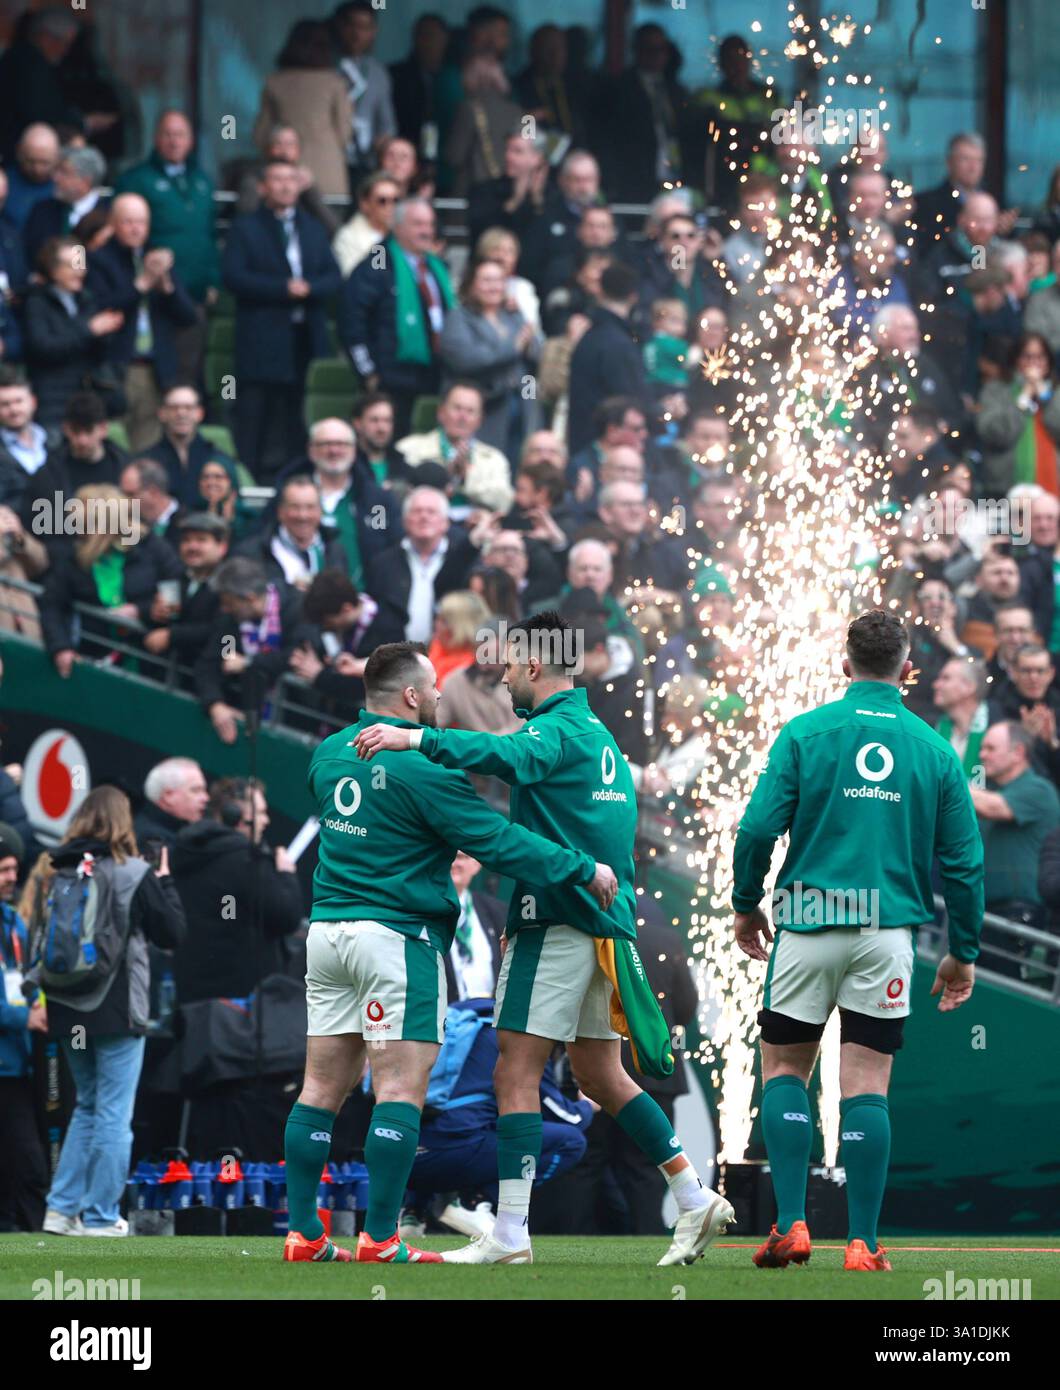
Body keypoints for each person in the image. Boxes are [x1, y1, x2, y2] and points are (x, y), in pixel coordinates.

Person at [355, 611, 732, 1267]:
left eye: (507, 665)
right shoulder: (600, 736)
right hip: (602, 929)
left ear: (534, 665)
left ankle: (510, 1233)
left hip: (554, 921)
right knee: (600, 1073)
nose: (500, 677)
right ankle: (694, 1196)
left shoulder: (552, 732)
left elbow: (506, 755)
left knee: (516, 1071)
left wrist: (417, 741)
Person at [281, 638, 617, 1263]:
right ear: (411, 696)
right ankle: (381, 1239)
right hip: (396, 939)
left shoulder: (326, 754)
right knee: (400, 1091)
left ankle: (303, 1235)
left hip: (327, 935)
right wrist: (579, 866)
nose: (440, 696)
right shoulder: (426, 772)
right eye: (434, 687)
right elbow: (498, 841)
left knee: (318, 1089)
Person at [731, 611, 984, 1273]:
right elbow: (963, 861)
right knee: (867, 1085)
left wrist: (744, 904)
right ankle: (864, 1244)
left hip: (808, 922)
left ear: (844, 664)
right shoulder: (933, 749)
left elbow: (757, 829)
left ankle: (791, 1225)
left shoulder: (806, 733)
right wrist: (964, 950)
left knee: (786, 1069)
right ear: (907, 671)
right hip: (887, 934)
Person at [26, 785, 185, 1236]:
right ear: (123, 822)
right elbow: (172, 932)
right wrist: (165, 878)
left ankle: (60, 1210)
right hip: (116, 1007)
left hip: (65, 1003)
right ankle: (98, 1215)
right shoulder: (134, 871)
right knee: (115, 1111)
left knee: (88, 1106)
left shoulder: (57, 869)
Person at [222, 160, 342, 478]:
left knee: (297, 417)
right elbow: (234, 277)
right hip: (262, 339)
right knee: (254, 417)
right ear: (263, 187)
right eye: (277, 179)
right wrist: (283, 289)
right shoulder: (246, 227)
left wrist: (310, 288)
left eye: (292, 179)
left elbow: (333, 276)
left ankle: (298, 480)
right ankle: (247, 482)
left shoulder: (312, 227)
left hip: (305, 339)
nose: (286, 186)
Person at [170, 777, 304, 1003]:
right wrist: (286, 874)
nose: (266, 820)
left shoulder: (185, 851)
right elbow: (287, 917)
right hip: (241, 1004)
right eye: (260, 812)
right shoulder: (244, 859)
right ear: (236, 816)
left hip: (193, 995)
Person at [85, 194, 198, 452]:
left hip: (156, 370)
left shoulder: (155, 257)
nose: (136, 229)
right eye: (128, 222)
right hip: (115, 369)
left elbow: (188, 317)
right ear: (113, 223)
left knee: (149, 445)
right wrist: (142, 284)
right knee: (113, 442)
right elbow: (98, 309)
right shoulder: (98, 259)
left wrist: (167, 286)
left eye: (142, 223)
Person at [114, 109, 222, 377]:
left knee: (187, 373)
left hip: (193, 295)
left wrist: (213, 280)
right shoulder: (135, 179)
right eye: (168, 134)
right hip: (153, 294)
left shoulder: (202, 180)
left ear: (191, 140)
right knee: (147, 373)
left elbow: (210, 234)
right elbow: (120, 230)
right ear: (155, 138)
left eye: (180, 135)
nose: (174, 141)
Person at [38, 481, 182, 676]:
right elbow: (51, 604)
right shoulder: (74, 557)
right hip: (94, 655)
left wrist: (140, 610)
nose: (77, 529)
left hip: (149, 655)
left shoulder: (150, 546)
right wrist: (61, 648)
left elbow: (175, 586)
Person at [338, 197, 454, 437]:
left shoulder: (436, 266)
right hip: (391, 379)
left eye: (430, 225)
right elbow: (352, 321)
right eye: (418, 224)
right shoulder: (378, 263)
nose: (427, 231)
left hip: (434, 375)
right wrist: (368, 372)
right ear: (397, 226)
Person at [971, 722, 1060, 976]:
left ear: (1018, 752)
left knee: (999, 999)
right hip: (983, 913)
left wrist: (945, 778)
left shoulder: (1038, 790)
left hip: (1016, 918)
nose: (982, 754)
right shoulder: (995, 792)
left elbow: (993, 807)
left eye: (990, 748)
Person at [194, 556, 312, 745]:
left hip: (292, 719)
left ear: (250, 598)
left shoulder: (297, 609)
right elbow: (212, 664)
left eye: (229, 603)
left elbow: (295, 657)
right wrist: (215, 705)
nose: (225, 609)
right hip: (243, 713)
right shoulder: (231, 624)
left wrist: (249, 662)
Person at [439, 257, 540, 460]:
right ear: (471, 284)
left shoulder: (512, 314)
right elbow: (466, 359)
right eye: (486, 280)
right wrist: (512, 348)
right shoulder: (458, 317)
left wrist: (530, 345)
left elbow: (534, 355)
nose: (494, 287)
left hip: (523, 401)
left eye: (499, 280)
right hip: (486, 405)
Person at [0, 823, 49, 1234]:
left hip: (16, 1067)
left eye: (14, 868)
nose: (12, 878)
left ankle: (24, 1237)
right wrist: (23, 1017)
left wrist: (37, 1005)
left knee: (27, 1167)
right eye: (3, 869)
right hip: (9, 1060)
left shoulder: (14, 924)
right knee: (26, 1164)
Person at [21, 235, 124, 429]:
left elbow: (96, 352)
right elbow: (43, 347)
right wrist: (89, 330)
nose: (79, 272)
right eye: (71, 265)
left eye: (81, 265)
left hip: (85, 397)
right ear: (53, 269)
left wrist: (105, 332)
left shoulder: (86, 300)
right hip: (52, 400)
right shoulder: (36, 302)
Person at [253, 21, 352, 202]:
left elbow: (261, 136)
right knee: (329, 221)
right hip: (328, 170)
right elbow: (345, 134)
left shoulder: (274, 83)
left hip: (283, 173)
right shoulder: (335, 83)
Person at [364, 485, 476, 642]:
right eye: (417, 511)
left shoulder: (463, 561)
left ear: (445, 522)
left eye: (431, 512)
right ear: (404, 521)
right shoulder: (382, 564)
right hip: (396, 658)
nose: (424, 516)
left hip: (450, 656)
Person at [395, 381, 513, 515]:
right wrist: (446, 476)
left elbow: (505, 503)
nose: (462, 417)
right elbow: (397, 495)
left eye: (470, 411)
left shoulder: (495, 459)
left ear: (480, 420)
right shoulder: (408, 448)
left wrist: (466, 478)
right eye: (457, 408)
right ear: (441, 412)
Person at [567, 262, 646, 456]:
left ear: (600, 291)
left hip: (583, 444)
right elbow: (629, 398)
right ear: (633, 296)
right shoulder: (619, 343)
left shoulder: (589, 336)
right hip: (606, 451)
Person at [140, 511, 228, 665]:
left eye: (201, 540)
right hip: (164, 668)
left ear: (221, 547)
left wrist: (172, 635)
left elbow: (222, 629)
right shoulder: (174, 576)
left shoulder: (228, 583)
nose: (192, 547)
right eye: (186, 540)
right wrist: (153, 611)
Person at [978, 334, 1060, 497]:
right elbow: (995, 433)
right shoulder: (996, 390)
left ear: (1048, 361)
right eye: (1027, 356)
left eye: (1040, 356)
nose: (1034, 363)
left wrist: (1045, 397)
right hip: (1005, 488)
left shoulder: (1056, 392)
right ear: (1016, 359)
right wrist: (1024, 398)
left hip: (1053, 490)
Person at [331, 1, 397, 187]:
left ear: (374, 31)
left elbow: (387, 124)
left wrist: (384, 143)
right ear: (339, 27)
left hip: (366, 162)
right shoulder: (324, 68)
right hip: (331, 159)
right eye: (352, 26)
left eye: (365, 27)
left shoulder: (378, 72)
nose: (356, 34)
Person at [234, 123, 340, 237]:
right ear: (268, 148)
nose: (284, 150)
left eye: (290, 144)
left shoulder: (304, 180)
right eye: (279, 144)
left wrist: (310, 190)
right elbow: (244, 222)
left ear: (298, 150)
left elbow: (333, 228)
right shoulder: (253, 179)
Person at [143, 383, 237, 509]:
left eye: (188, 408)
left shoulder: (220, 459)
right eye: (174, 407)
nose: (181, 413)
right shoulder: (146, 461)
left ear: (200, 413)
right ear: (162, 413)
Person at [444, 54, 521, 199]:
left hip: (475, 192)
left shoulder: (467, 109)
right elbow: (532, 151)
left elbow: (455, 156)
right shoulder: (519, 112)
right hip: (510, 191)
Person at [22, 143, 109, 268]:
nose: (56, 178)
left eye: (65, 172)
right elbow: (29, 252)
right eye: (57, 171)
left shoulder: (109, 214)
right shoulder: (42, 210)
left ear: (85, 181)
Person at [389, 13, 450, 156]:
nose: (427, 42)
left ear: (445, 39)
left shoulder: (454, 77)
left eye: (433, 36)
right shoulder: (396, 76)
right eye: (422, 36)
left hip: (444, 153)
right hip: (406, 152)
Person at [331, 172, 401, 276]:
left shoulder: (403, 235)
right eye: (382, 201)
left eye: (396, 200)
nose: (390, 207)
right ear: (365, 204)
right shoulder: (348, 238)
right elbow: (355, 281)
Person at [134, 757, 208, 852]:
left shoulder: (178, 833)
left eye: (204, 790)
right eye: (196, 790)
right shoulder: (152, 839)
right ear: (168, 796)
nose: (205, 798)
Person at [1, 124, 61, 232]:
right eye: (30, 161)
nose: (37, 169)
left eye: (45, 162)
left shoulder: (64, 186)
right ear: (19, 152)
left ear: (57, 156)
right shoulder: (3, 182)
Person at [428, 589, 491, 689]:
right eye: (437, 619)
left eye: (444, 621)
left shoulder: (479, 669)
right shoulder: (435, 652)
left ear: (462, 627)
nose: (436, 624)